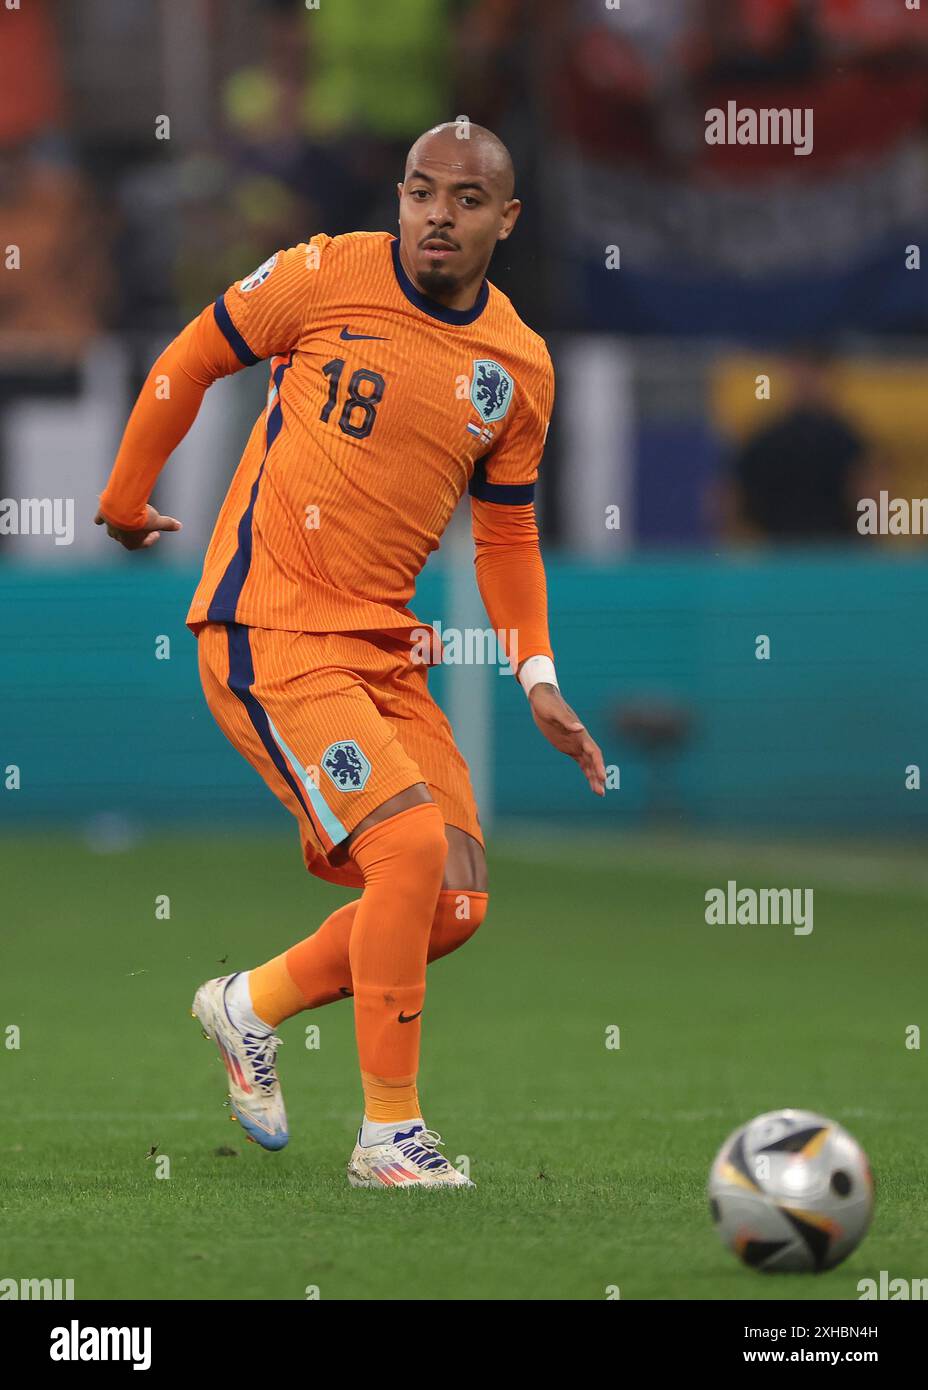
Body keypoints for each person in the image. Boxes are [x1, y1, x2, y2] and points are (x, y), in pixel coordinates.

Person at [95, 121, 605, 1189]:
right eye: (420, 190)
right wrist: (126, 491)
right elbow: (190, 356)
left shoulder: (517, 366)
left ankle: (249, 1004)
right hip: (269, 625)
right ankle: (389, 1136)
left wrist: (538, 676)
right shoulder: (324, 273)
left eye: (466, 200)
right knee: (409, 851)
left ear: (505, 221)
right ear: (401, 196)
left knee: (454, 902)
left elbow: (505, 533)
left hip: (381, 649)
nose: (436, 214)